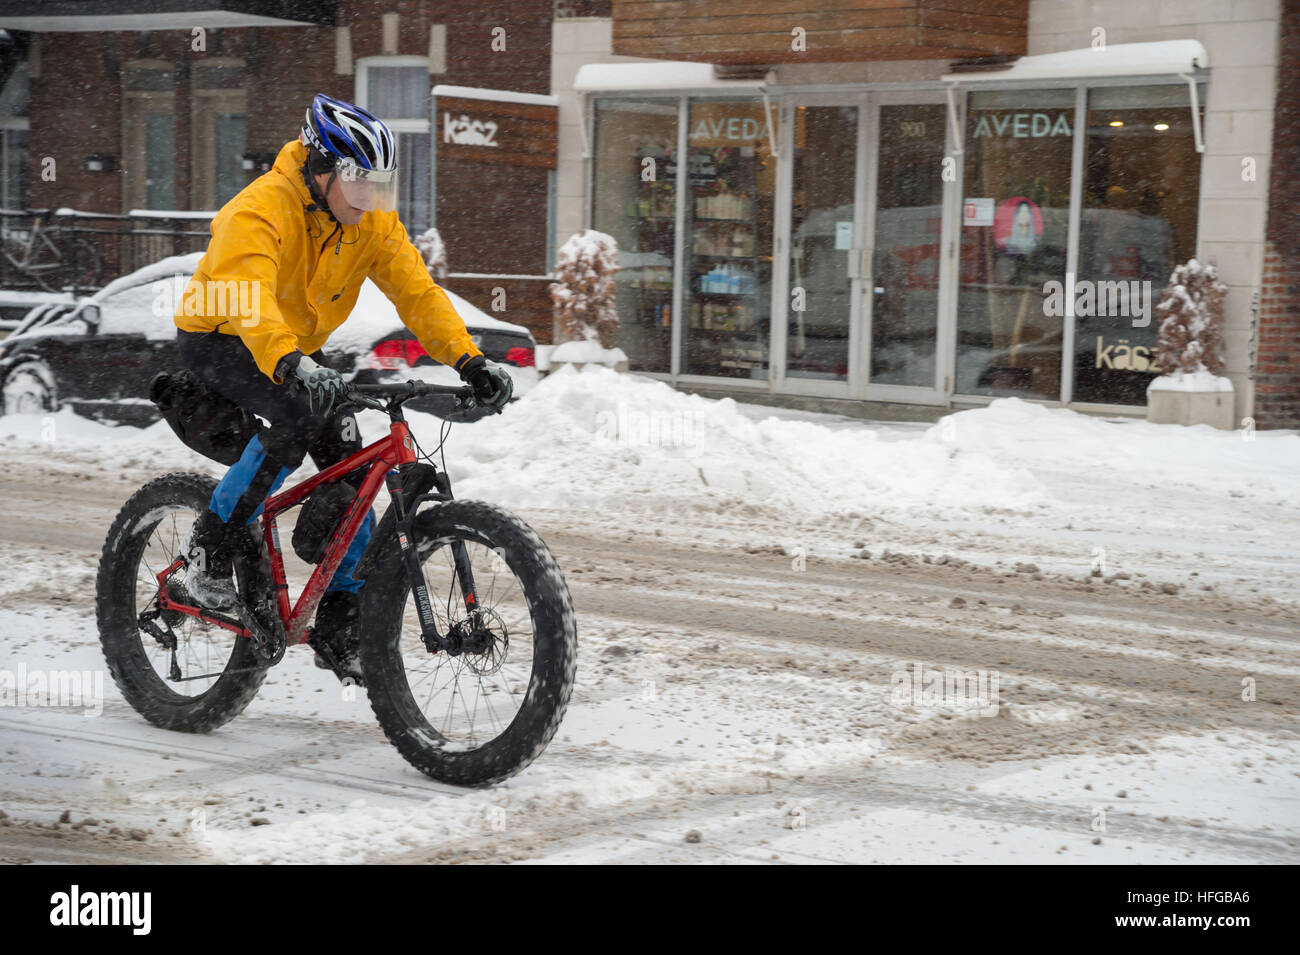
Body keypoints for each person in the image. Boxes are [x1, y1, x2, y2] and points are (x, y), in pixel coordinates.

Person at [173, 93, 512, 682]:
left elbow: (418, 293)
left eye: (380, 186)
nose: (370, 201)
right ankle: (208, 556)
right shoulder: (258, 211)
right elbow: (249, 298)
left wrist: (469, 359)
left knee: (355, 468)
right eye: (359, 184)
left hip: (295, 348)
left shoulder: (370, 223)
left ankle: (339, 618)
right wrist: (288, 364)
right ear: (319, 167)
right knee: (296, 422)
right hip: (224, 335)